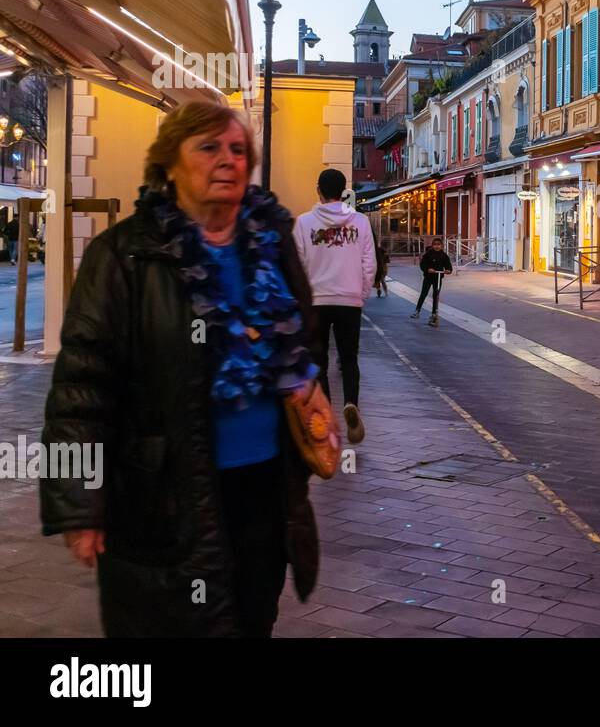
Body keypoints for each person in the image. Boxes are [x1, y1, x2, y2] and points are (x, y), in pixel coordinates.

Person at [40, 101, 321, 637]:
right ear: (169, 163)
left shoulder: (272, 244)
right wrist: (80, 503)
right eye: (209, 147)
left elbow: (303, 343)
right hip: (163, 497)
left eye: (238, 150)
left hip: (265, 490)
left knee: (250, 618)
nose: (228, 161)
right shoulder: (125, 254)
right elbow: (82, 387)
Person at [293, 169, 375, 445]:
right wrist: (360, 294)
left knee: (318, 362)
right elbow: (369, 264)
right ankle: (351, 403)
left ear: (318, 190)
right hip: (349, 301)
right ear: (343, 191)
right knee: (349, 358)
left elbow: (298, 265)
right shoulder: (361, 222)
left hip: (316, 301)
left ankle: (327, 415)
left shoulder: (304, 223)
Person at [411, 236, 453, 325]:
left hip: (438, 278)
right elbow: (422, 265)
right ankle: (417, 311)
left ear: (442, 246)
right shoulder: (428, 254)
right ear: (432, 245)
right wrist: (427, 269)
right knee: (423, 294)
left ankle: (434, 314)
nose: (437, 246)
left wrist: (448, 270)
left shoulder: (444, 256)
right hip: (428, 277)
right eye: (435, 245)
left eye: (438, 245)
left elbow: (448, 266)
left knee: (436, 296)